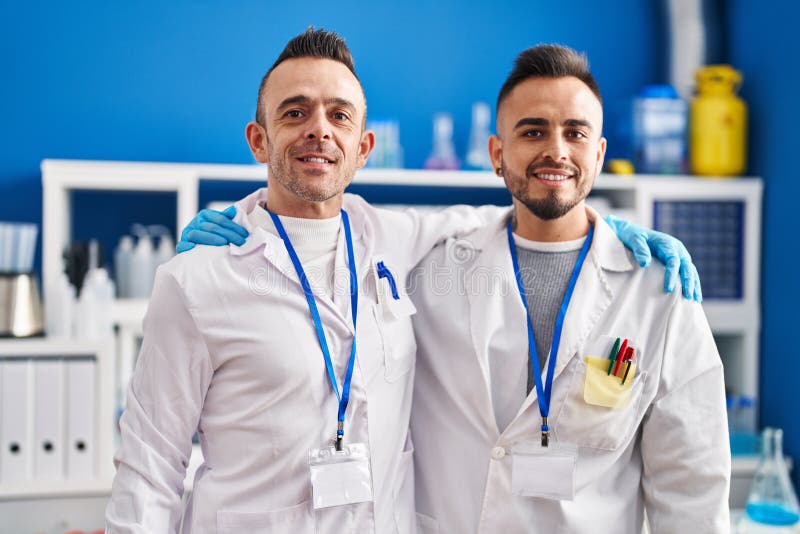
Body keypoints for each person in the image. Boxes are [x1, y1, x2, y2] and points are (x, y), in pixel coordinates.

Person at [109, 28, 700, 534]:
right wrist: (234, 217)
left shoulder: (391, 240)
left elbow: (524, 207)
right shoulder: (196, 281)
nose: (320, 129)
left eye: (339, 115)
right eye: (295, 112)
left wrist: (617, 229)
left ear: (363, 148)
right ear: (258, 139)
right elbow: (149, 466)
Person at [408, 45, 730, 533]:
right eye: (533, 131)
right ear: (497, 154)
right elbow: (341, 240)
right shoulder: (429, 274)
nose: (556, 150)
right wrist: (255, 215)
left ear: (598, 154)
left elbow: (692, 487)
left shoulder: (658, 293)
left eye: (575, 133)